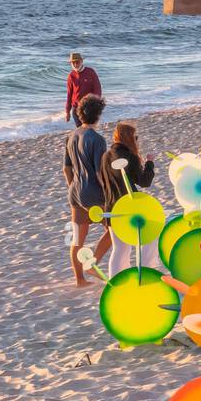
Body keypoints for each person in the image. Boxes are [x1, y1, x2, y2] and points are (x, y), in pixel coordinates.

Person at [64, 93, 112, 284]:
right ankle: (92, 264)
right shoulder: (97, 139)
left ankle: (79, 280)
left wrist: (73, 188)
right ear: (98, 114)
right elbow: (100, 172)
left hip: (75, 192)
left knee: (78, 240)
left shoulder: (71, 136)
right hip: (94, 193)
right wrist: (109, 193)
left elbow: (66, 168)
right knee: (113, 231)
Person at [100, 122, 158, 277]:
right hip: (130, 208)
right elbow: (145, 182)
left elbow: (102, 182)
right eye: (135, 137)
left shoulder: (105, 156)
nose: (137, 140)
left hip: (111, 208)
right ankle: (148, 274)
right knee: (149, 239)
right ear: (129, 138)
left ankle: (116, 282)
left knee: (119, 249)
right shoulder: (130, 156)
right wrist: (150, 163)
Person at [65, 52, 102, 127]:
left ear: (81, 61)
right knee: (80, 130)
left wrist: (96, 106)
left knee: (89, 130)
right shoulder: (71, 76)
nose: (75, 64)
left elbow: (97, 89)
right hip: (76, 109)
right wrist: (67, 112)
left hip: (89, 108)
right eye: (73, 63)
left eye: (77, 62)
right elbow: (69, 95)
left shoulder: (91, 72)